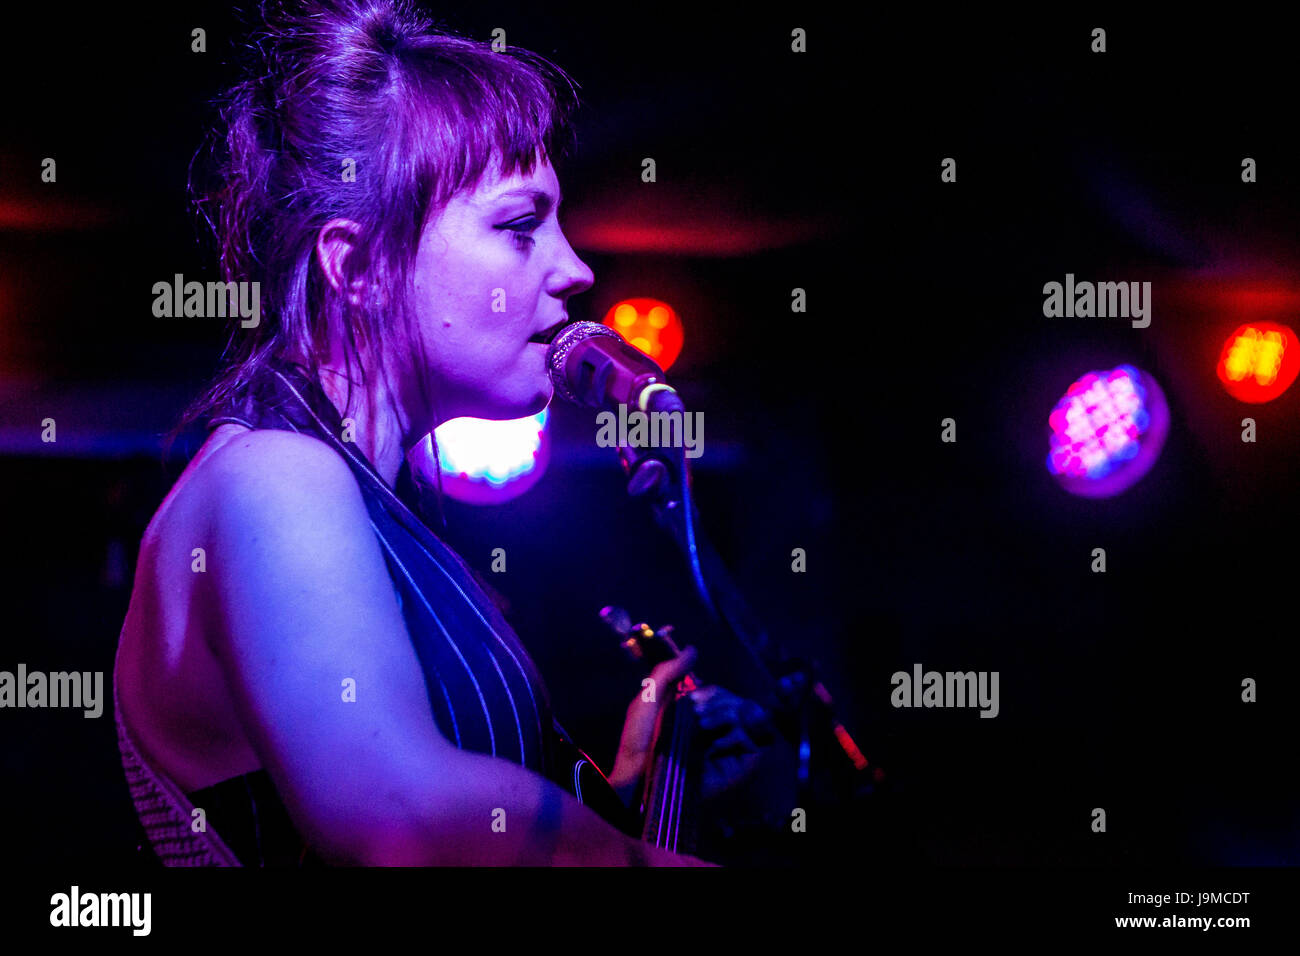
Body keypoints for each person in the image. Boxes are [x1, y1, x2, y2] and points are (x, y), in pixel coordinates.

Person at [113, 0, 772, 867]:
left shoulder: (375, 503)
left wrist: (639, 785)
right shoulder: (272, 477)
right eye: (518, 224)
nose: (575, 269)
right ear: (360, 268)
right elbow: (401, 817)